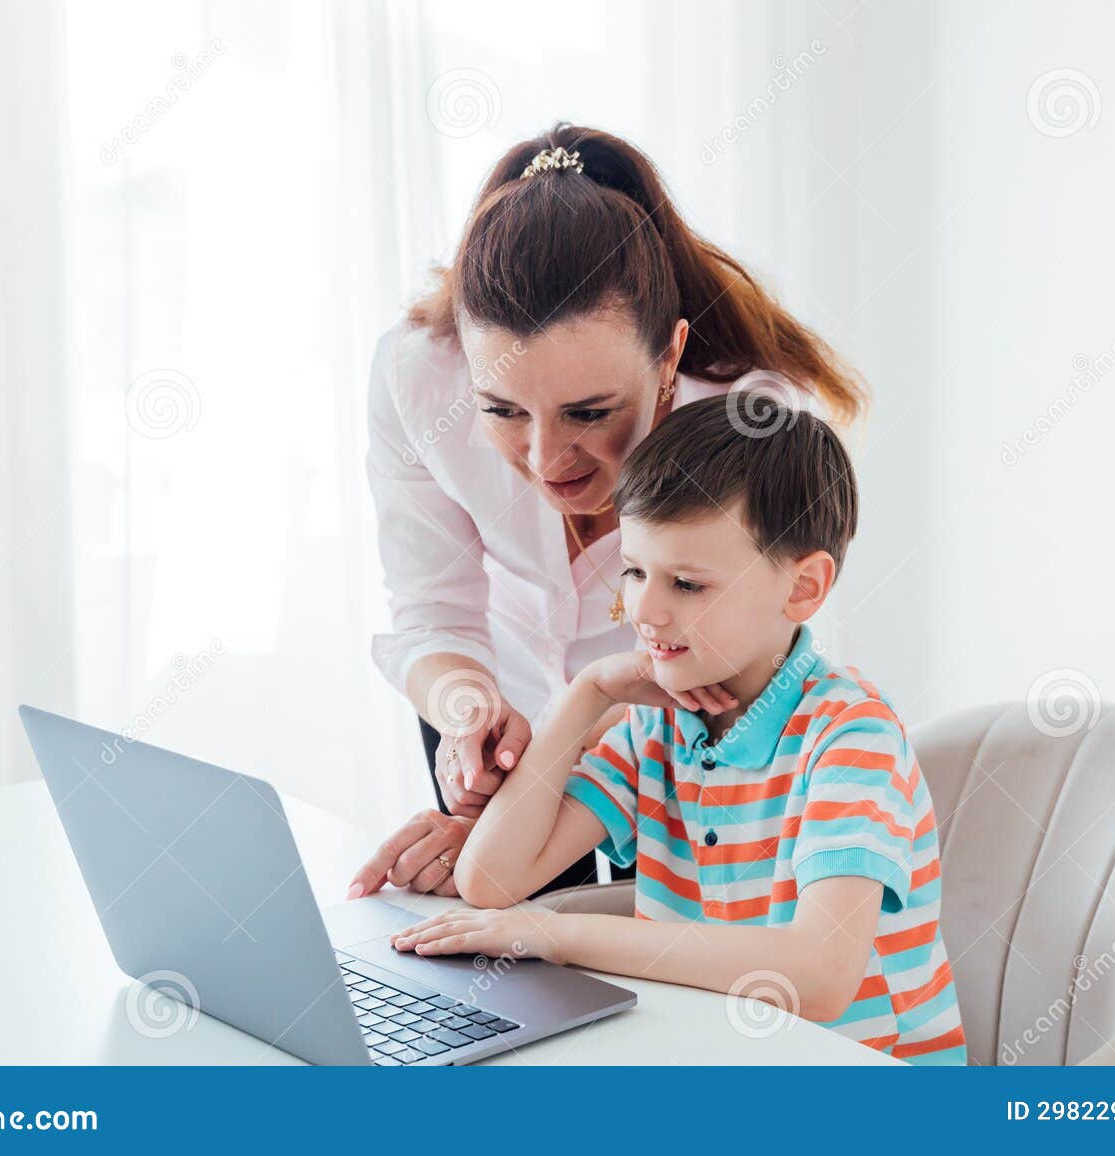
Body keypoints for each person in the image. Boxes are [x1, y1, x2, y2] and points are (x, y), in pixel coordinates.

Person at [350, 124, 866, 899]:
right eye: (502, 411)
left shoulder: (746, 418)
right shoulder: (416, 377)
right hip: (503, 709)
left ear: (668, 360)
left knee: (659, 960)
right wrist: (470, 716)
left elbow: (727, 670)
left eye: (589, 412)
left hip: (677, 720)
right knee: (508, 979)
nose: (547, 458)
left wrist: (533, 799)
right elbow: (433, 613)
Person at [389, 396, 966, 1065]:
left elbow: (818, 975)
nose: (646, 612)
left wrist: (551, 934)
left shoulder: (850, 735)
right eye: (635, 572)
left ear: (803, 588)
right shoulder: (654, 727)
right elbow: (490, 880)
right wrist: (586, 694)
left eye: (688, 584)